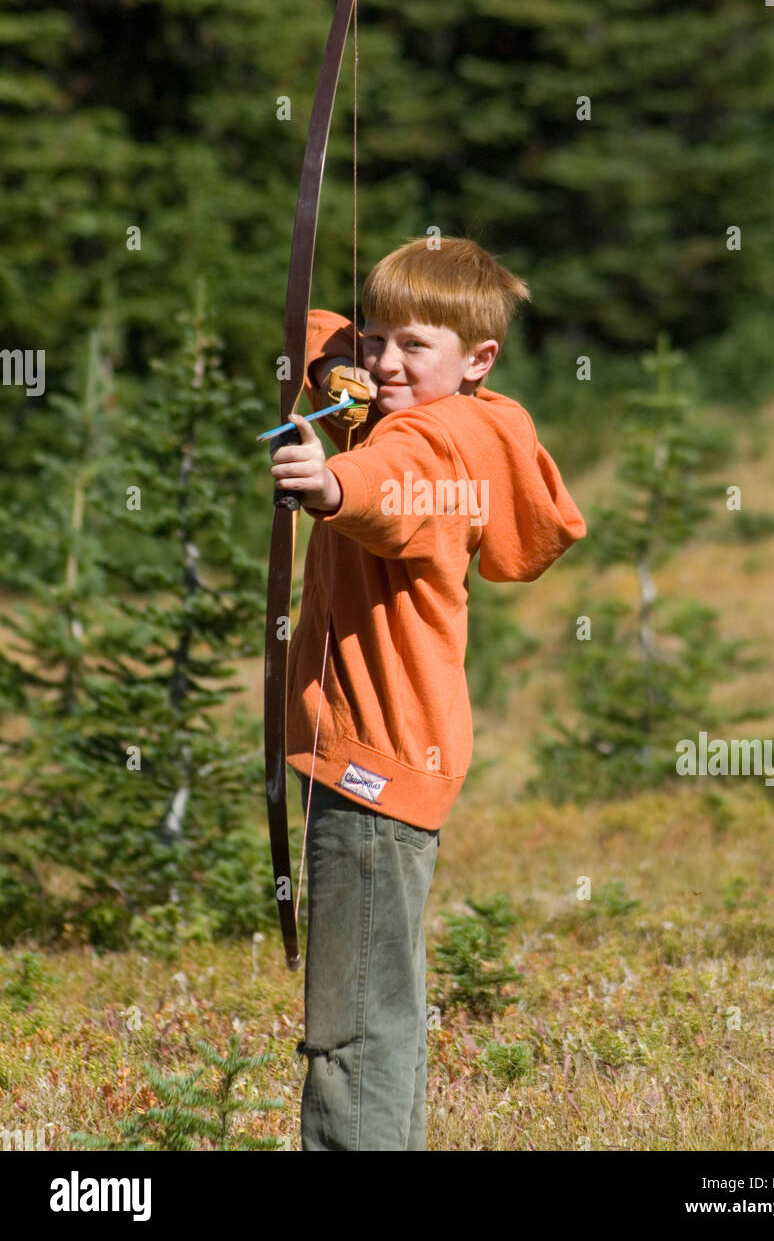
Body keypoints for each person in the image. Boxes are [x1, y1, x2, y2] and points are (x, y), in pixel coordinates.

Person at [269, 236, 586, 1150]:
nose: (385, 362)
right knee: (381, 1008)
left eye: (415, 346)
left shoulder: (432, 442)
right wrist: (338, 359)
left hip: (374, 758)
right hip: (405, 751)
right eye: (376, 340)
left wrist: (327, 482)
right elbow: (322, 337)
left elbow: (393, 490)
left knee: (349, 1028)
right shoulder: (472, 416)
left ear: (478, 359)